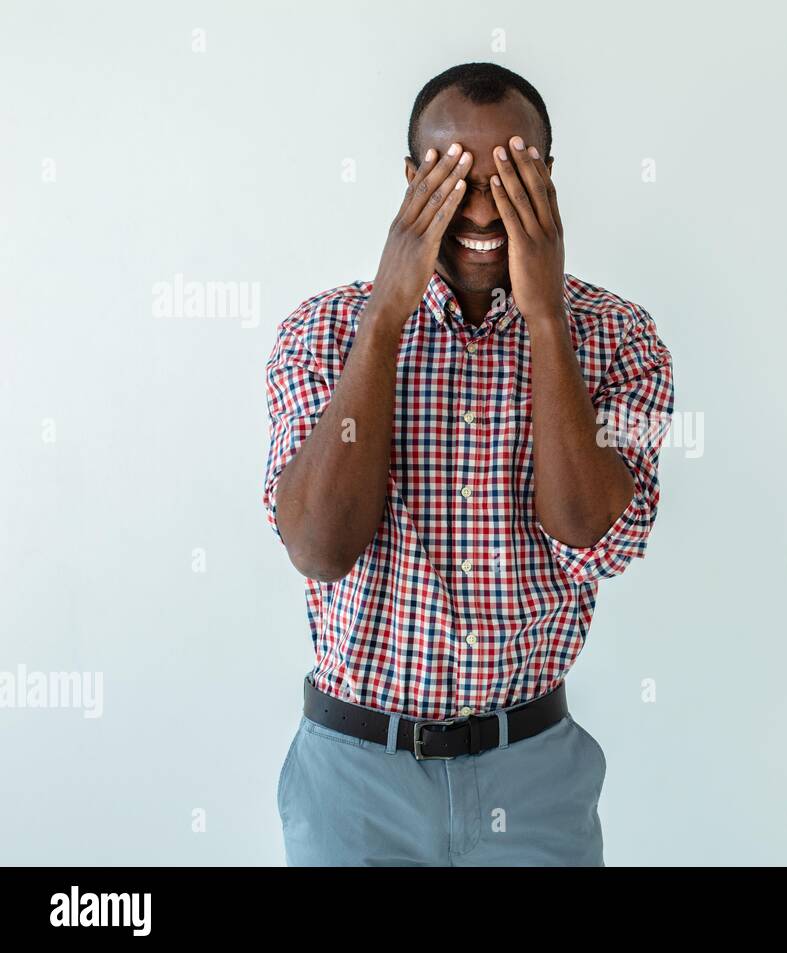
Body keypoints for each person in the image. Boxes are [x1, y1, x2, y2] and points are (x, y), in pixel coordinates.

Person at [262, 62, 674, 866]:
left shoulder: (619, 338)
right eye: (453, 180)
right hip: (355, 780)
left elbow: (597, 536)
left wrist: (545, 315)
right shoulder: (321, 332)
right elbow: (317, 547)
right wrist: (386, 314)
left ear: (547, 179)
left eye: (511, 176)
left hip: (533, 777)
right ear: (411, 181)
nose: (483, 210)